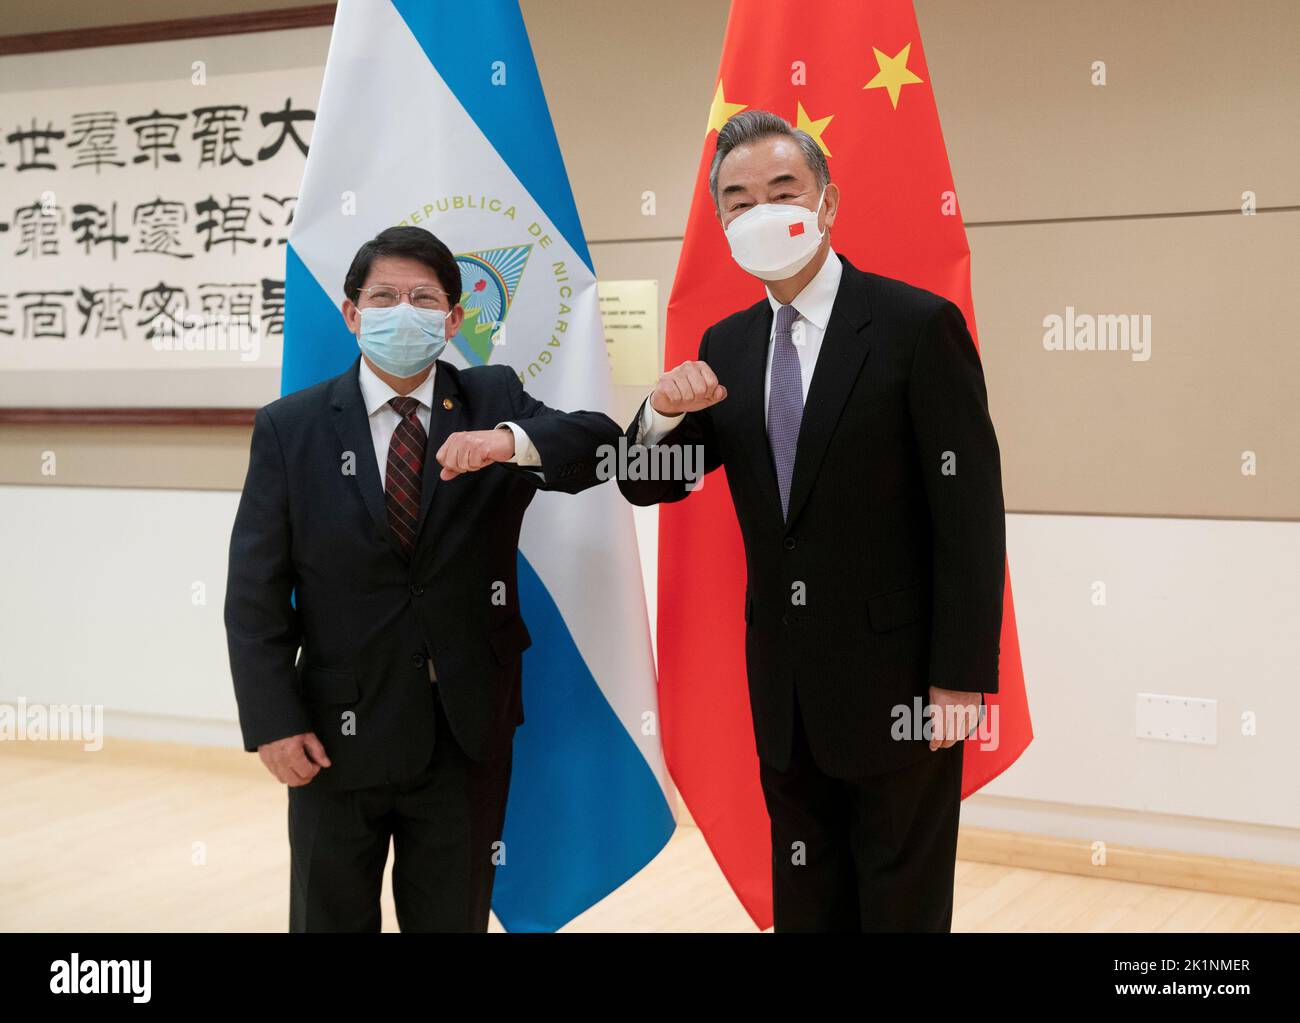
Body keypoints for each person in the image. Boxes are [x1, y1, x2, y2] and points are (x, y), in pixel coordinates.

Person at [617, 111, 1006, 931]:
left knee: (900, 902)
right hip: (787, 691)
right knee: (807, 898)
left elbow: (968, 515)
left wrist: (961, 675)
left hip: (903, 686)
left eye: (781, 189)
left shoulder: (914, 325)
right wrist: (654, 412)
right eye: (737, 199)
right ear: (721, 223)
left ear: (827, 203)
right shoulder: (727, 343)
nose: (760, 210)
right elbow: (650, 482)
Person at [224, 225, 619, 932]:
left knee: (451, 918)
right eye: (384, 297)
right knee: (328, 917)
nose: (403, 310)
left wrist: (507, 442)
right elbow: (254, 593)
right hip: (334, 734)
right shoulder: (293, 426)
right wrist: (273, 722)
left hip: (463, 729)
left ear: (453, 317)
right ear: (351, 313)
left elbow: (600, 444)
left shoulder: (490, 396)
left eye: (422, 297)